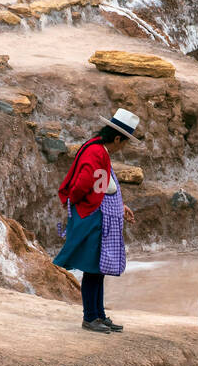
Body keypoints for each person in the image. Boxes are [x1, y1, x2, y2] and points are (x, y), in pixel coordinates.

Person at [54, 109, 140, 333]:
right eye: (125, 142)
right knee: (93, 269)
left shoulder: (99, 150)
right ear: (118, 138)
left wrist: (119, 206)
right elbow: (83, 184)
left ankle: (99, 315)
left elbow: (102, 185)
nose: (124, 147)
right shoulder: (96, 153)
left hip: (97, 214)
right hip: (91, 216)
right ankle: (90, 317)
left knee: (98, 269)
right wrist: (78, 204)